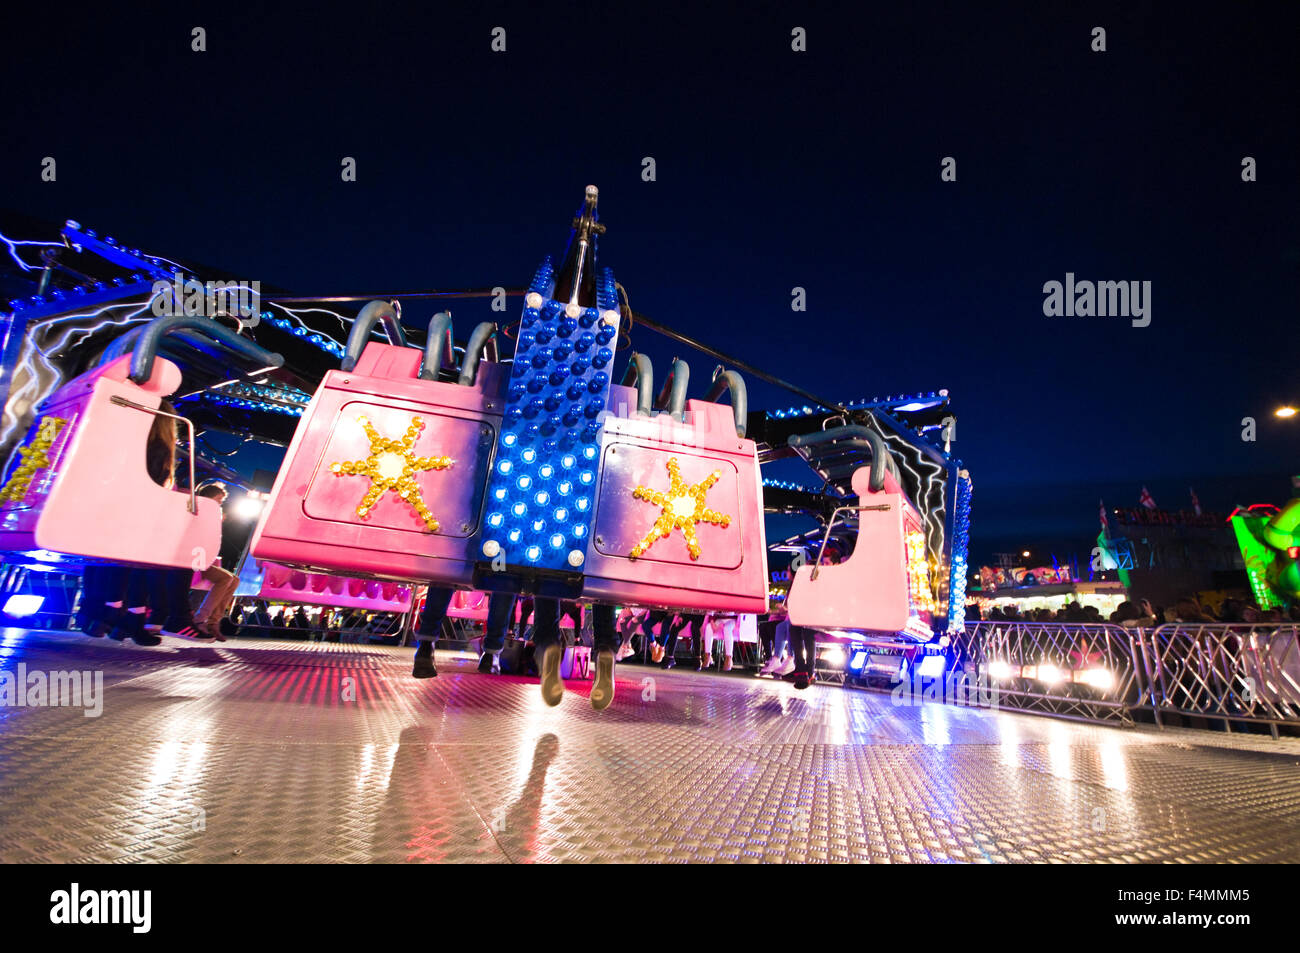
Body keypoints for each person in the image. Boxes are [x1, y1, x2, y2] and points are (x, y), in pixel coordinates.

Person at [191, 481, 237, 640]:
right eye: (219, 500)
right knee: (226, 578)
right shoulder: (198, 511)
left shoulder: (210, 515)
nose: (220, 504)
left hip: (202, 558)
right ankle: (200, 619)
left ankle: (213, 622)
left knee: (234, 580)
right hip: (193, 557)